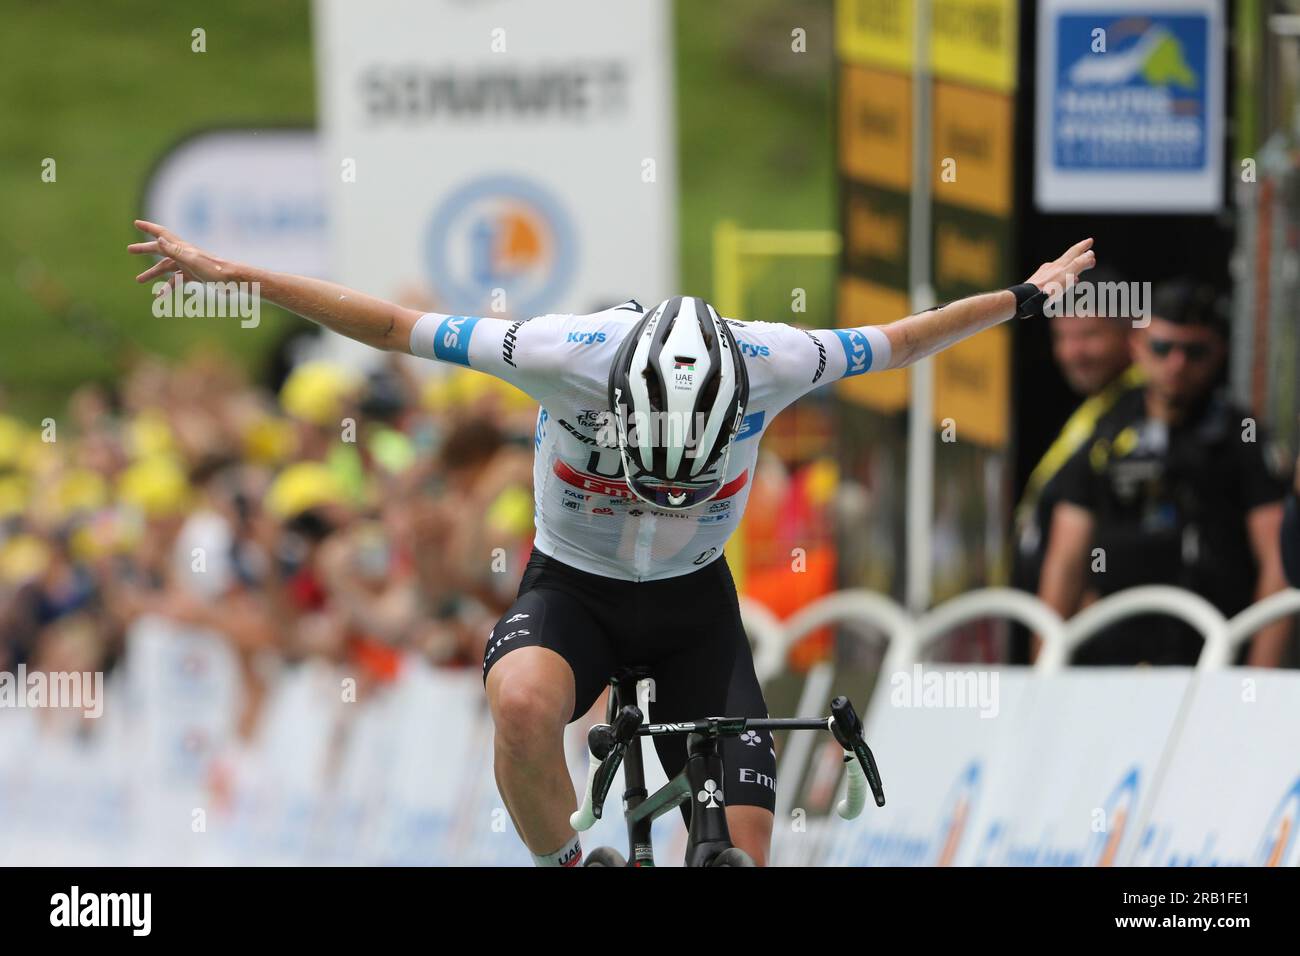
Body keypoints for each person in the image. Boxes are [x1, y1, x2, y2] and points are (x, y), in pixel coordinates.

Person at [129, 218, 1096, 866]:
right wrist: (240, 275)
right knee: (519, 701)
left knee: (737, 854)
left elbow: (911, 335)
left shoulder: (779, 361)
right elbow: (388, 323)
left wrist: (1029, 293)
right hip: (575, 588)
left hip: (693, 607)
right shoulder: (560, 353)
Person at [1038, 279, 1292, 667]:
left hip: (1213, 659)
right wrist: (1046, 666)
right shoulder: (1103, 432)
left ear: (1219, 351)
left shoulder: (1242, 436)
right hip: (1112, 661)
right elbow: (1065, 560)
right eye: (1162, 347)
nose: (1177, 364)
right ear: (1136, 345)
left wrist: (1257, 678)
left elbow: (1278, 563)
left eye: (1194, 351)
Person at [1010, 266, 1143, 661]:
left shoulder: (1140, 411)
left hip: (1095, 652)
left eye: (1089, 337)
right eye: (1062, 338)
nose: (1072, 353)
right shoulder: (1098, 408)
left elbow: (1076, 551)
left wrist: (1045, 661)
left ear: (1131, 337)